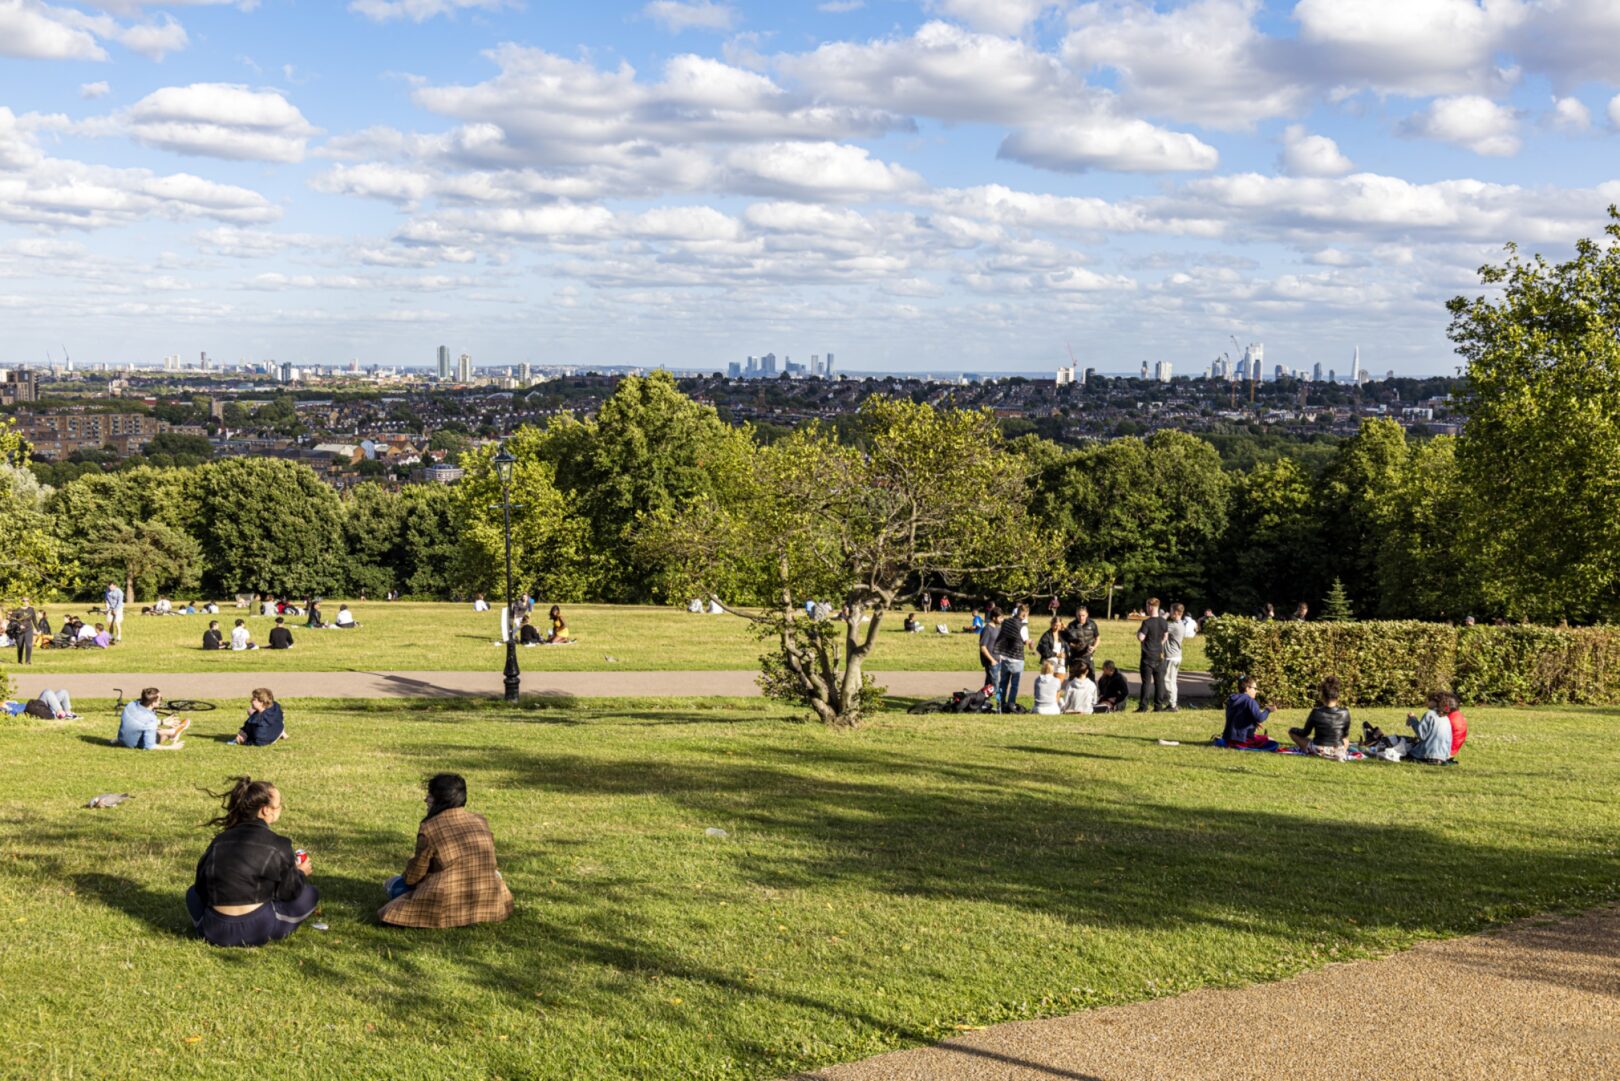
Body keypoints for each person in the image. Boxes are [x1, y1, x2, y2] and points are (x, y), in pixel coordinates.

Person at [186, 776, 318, 948]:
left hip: (214, 928)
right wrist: (299, 873)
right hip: (257, 927)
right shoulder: (279, 844)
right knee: (310, 893)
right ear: (265, 811)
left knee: (191, 894)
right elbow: (288, 892)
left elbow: (201, 888)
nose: (281, 809)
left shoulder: (219, 841)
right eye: (279, 805)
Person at [379, 773, 514, 929]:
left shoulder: (430, 828)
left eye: (430, 795)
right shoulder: (480, 820)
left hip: (447, 902)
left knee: (395, 884)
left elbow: (413, 876)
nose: (426, 799)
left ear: (440, 800)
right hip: (488, 901)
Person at [1288, 675, 1352, 759]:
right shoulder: (1345, 713)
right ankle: (1337, 754)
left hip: (1318, 750)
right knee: (1346, 740)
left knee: (1292, 733)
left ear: (1323, 696)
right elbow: (1345, 735)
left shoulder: (1316, 712)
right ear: (1337, 696)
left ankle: (1317, 751)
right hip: (1338, 750)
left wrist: (1293, 730)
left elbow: (1305, 733)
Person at [115, 687, 188, 749]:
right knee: (158, 733)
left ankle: (172, 731)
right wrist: (171, 747)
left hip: (121, 740)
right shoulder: (151, 718)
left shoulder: (130, 705)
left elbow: (139, 721)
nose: (161, 701)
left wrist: (162, 722)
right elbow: (149, 746)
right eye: (160, 699)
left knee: (152, 728)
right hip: (133, 744)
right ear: (153, 703)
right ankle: (172, 733)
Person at [993, 603, 1029, 712]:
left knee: (1002, 684)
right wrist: (1031, 642)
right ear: (1024, 615)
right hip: (1017, 658)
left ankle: (999, 704)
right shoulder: (1023, 627)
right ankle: (1010, 705)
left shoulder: (1006, 622)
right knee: (1014, 685)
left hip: (1005, 656)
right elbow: (1026, 642)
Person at [1135, 598, 1169, 712]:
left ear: (1150, 607)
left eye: (1147, 606)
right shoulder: (1164, 622)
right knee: (1159, 682)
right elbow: (1165, 637)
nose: (1146, 608)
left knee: (1146, 683)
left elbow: (1141, 637)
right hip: (1159, 655)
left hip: (1147, 656)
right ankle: (1158, 706)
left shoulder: (1146, 622)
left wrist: (1138, 631)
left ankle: (1143, 707)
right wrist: (1158, 644)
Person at [1221, 676, 1273, 747]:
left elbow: (1238, 717)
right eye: (1255, 688)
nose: (1256, 691)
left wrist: (1253, 723)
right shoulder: (1250, 701)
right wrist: (1268, 710)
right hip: (1242, 740)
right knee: (1271, 740)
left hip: (1228, 739)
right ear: (1247, 688)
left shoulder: (1232, 700)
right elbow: (1260, 718)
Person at [1061, 606, 1099, 679]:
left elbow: (1098, 638)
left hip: (1088, 656)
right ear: (1076, 614)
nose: (1081, 617)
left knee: (1091, 679)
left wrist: (1094, 647)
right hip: (1075, 657)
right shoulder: (1071, 625)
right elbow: (1068, 642)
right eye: (1079, 615)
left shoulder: (1092, 624)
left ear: (1087, 614)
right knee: (1073, 680)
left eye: (1083, 615)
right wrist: (1075, 646)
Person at [1163, 602, 1187, 713]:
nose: (1170, 612)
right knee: (1172, 681)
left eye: (1171, 611)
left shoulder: (1174, 625)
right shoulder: (1181, 623)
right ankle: (1173, 703)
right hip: (1176, 656)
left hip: (1171, 657)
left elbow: (1160, 625)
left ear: (1176, 613)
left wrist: (1164, 616)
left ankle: (1172, 705)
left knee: (1168, 680)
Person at [4, 688, 77, 720]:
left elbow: (15, 703)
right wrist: (6, 707)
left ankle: (68, 713)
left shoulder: (7, 703)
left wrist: (8, 702)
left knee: (63, 692)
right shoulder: (5, 709)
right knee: (47, 692)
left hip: (40, 707)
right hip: (35, 709)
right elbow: (12, 713)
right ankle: (61, 713)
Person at [978, 607, 1002, 689]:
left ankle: (982, 700)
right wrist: (992, 660)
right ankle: (999, 701)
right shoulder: (987, 629)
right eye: (1000, 617)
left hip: (998, 660)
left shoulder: (998, 628)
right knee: (995, 687)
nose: (1002, 619)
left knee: (988, 686)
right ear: (994, 618)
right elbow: (983, 647)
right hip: (991, 662)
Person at [1442, 692, 1469, 758]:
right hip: (1454, 749)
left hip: (1446, 751)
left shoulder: (1449, 719)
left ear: (1446, 707)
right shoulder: (1459, 716)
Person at [11, 598, 35, 665]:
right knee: (20, 646)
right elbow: (13, 620)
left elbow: (34, 620)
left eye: (27, 600)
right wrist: (19, 625)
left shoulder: (31, 609)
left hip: (29, 629)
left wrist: (38, 629)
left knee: (29, 645)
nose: (26, 602)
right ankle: (19, 660)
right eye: (24, 600)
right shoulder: (17, 609)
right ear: (21, 601)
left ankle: (28, 661)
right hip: (19, 631)